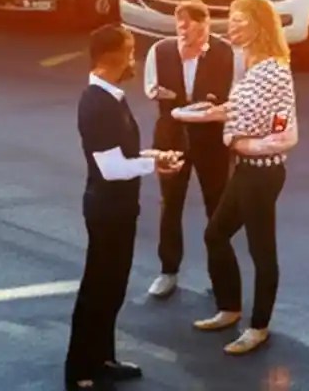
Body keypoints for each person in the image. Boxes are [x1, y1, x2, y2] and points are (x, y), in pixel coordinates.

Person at [66, 24, 184, 390]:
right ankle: (80, 370)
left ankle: (103, 359)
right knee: (98, 289)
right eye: (130, 51)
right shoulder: (98, 104)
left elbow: (123, 154)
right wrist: (152, 165)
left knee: (113, 288)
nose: (134, 59)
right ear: (110, 58)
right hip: (107, 211)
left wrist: (154, 156)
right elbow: (111, 167)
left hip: (119, 209)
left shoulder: (112, 97)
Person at [183, 0, 298, 355]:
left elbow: (285, 130)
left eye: (239, 19)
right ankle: (229, 307)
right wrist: (214, 113)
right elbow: (243, 109)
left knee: (262, 251)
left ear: (259, 25)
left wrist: (246, 144)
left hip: (263, 174)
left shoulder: (275, 71)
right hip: (245, 172)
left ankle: (258, 327)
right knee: (215, 234)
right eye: (230, 18)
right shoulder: (249, 64)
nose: (231, 25)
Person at [142, 0, 242, 298]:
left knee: (217, 207)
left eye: (194, 29)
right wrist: (167, 97)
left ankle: (220, 277)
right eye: (181, 27)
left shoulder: (227, 53)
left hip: (212, 141)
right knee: (170, 204)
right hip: (171, 137)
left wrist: (213, 111)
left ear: (206, 26)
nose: (187, 34)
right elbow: (151, 88)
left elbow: (235, 99)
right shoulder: (160, 51)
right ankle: (168, 271)